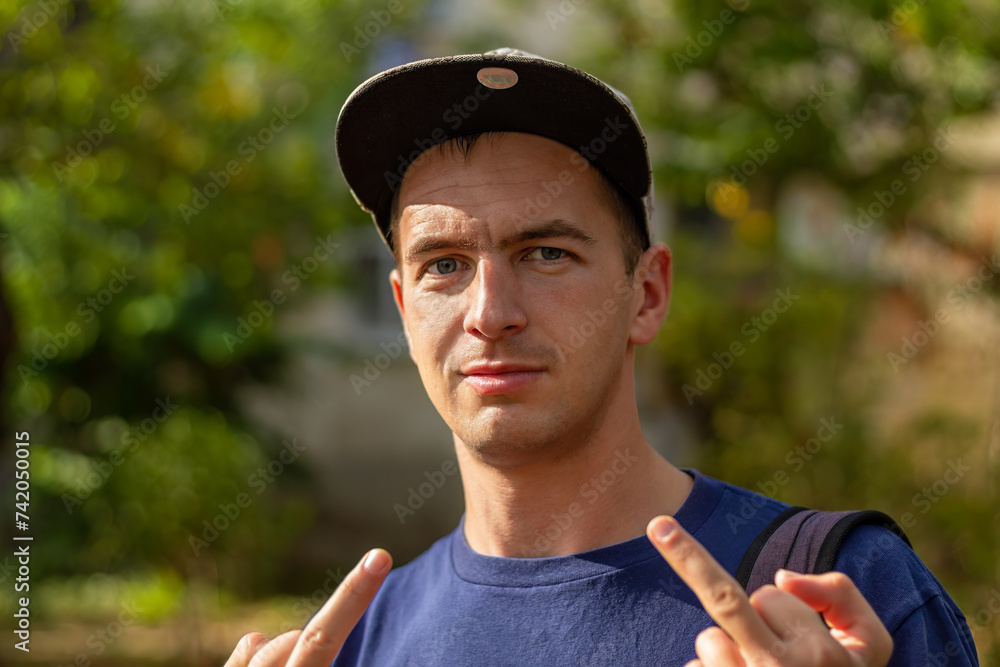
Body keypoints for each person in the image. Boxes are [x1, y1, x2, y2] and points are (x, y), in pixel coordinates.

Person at [224, 48, 978, 666]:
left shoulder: (835, 602)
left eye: (545, 252)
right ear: (402, 307)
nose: (490, 313)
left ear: (647, 294)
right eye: (444, 265)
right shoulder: (358, 645)